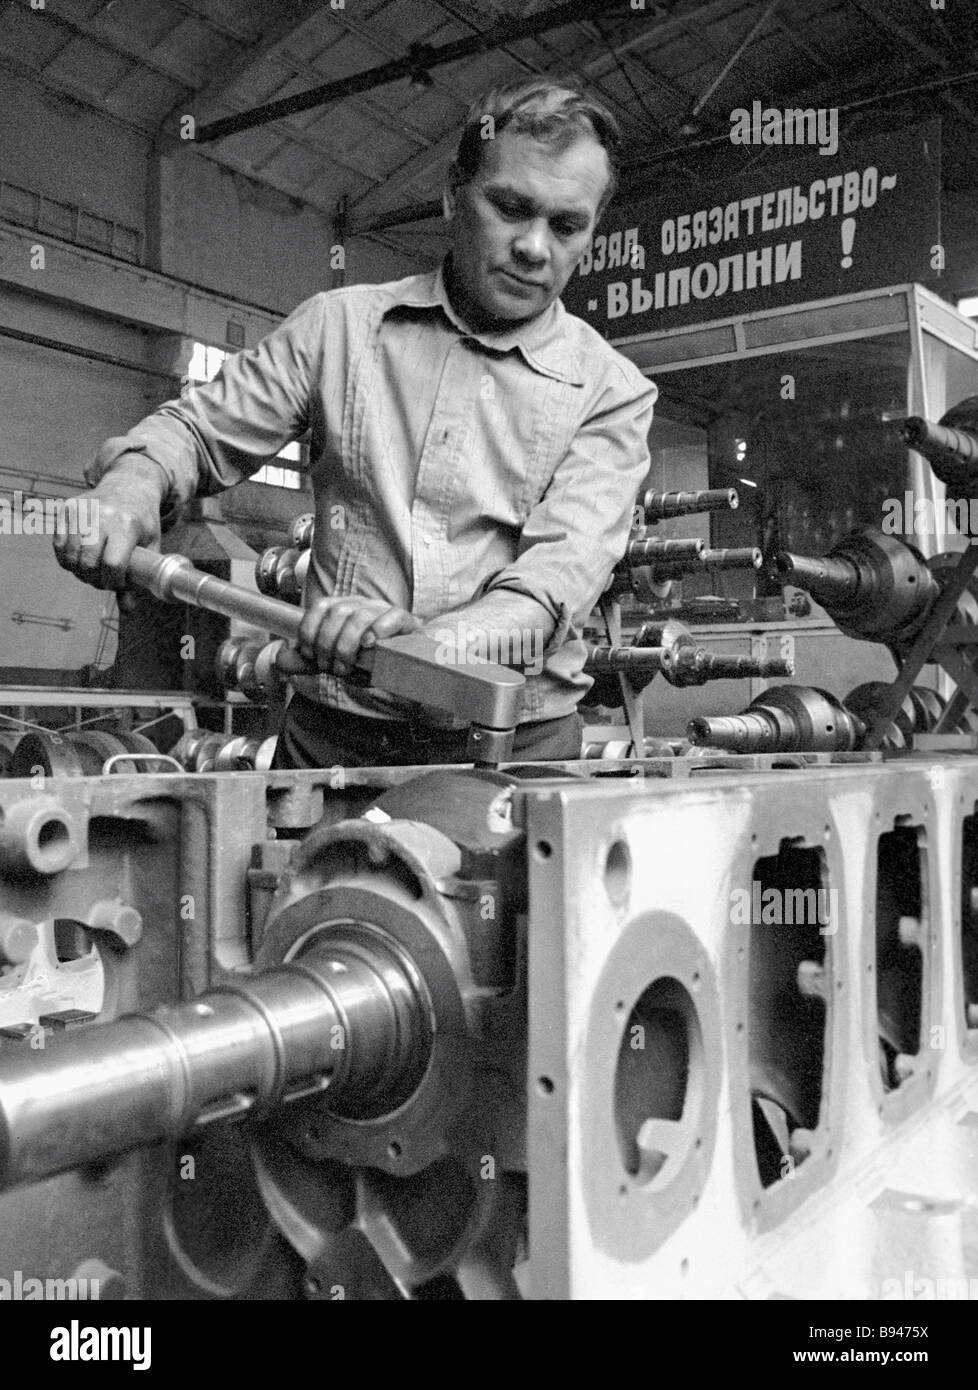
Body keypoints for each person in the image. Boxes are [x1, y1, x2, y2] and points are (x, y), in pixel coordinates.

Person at [55, 78, 657, 768]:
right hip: (333, 740)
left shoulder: (612, 392)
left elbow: (547, 591)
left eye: (566, 225)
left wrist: (428, 645)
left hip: (516, 749)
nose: (533, 247)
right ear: (454, 195)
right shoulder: (338, 328)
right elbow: (194, 433)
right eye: (511, 207)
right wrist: (129, 486)